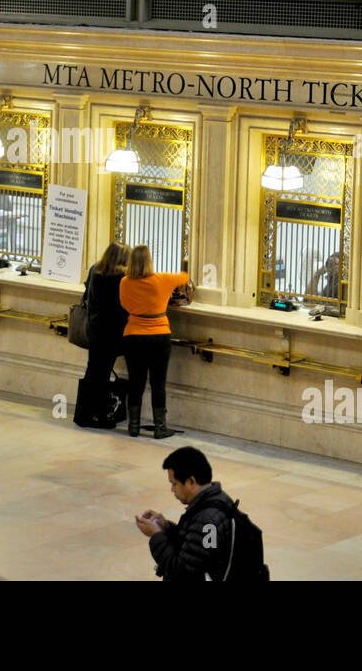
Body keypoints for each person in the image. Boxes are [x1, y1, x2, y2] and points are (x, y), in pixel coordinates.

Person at [119, 245, 190, 438]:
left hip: (133, 335)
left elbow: (124, 304)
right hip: (159, 336)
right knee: (158, 383)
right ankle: (160, 427)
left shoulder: (125, 282)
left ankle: (133, 426)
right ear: (150, 261)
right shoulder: (162, 280)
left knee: (136, 382)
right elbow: (184, 276)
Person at [135, 447, 234, 581]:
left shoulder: (207, 520)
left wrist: (156, 536)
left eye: (174, 484)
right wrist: (167, 528)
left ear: (191, 481)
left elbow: (181, 572)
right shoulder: (216, 499)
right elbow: (195, 548)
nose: (172, 489)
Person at [74, 242, 130, 429]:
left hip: (94, 329)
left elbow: (87, 291)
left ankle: (83, 414)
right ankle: (98, 415)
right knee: (102, 374)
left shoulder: (94, 270)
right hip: (112, 332)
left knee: (93, 371)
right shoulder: (122, 278)